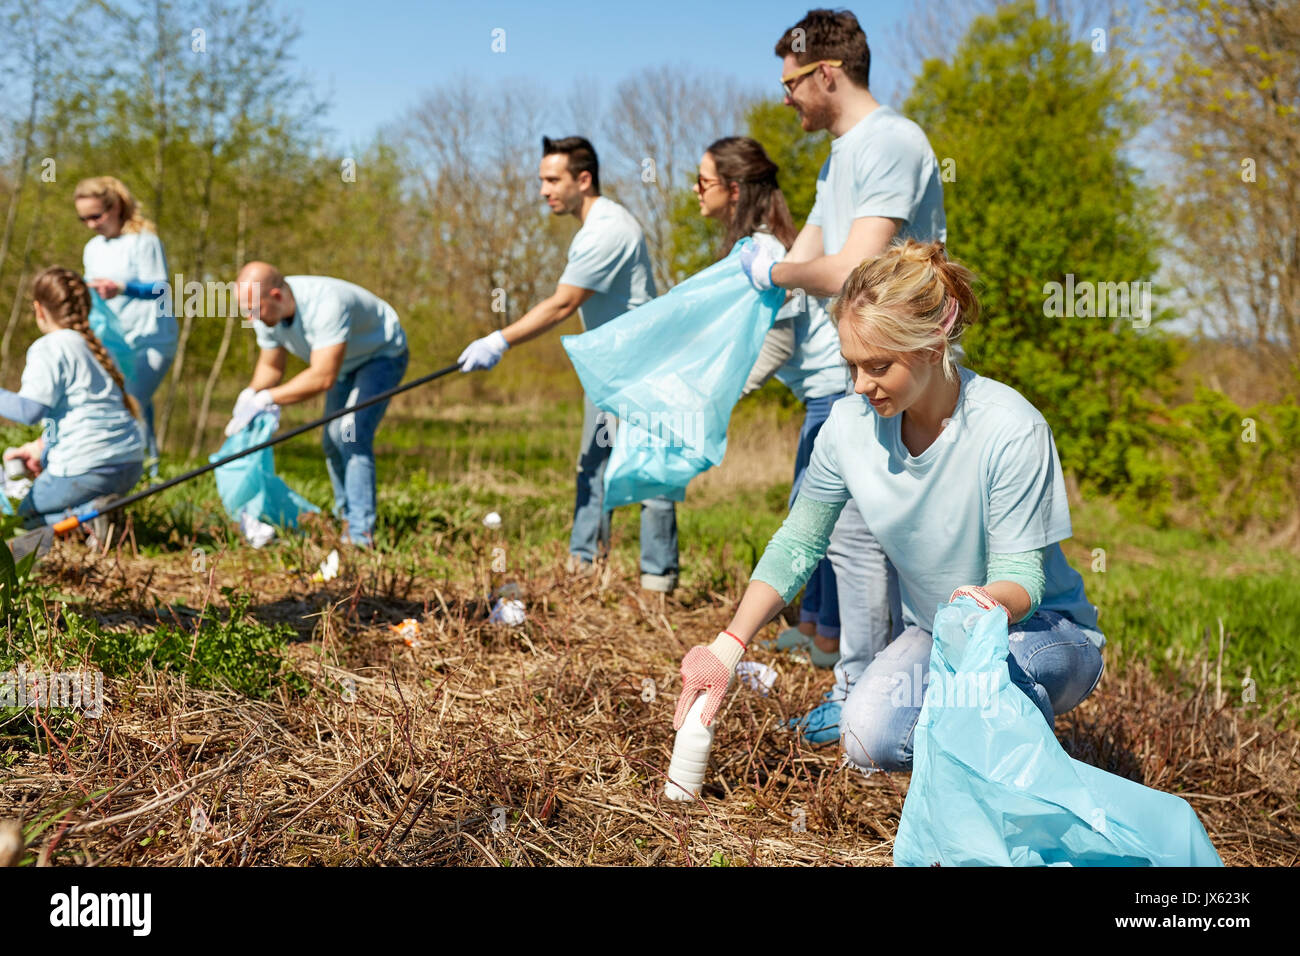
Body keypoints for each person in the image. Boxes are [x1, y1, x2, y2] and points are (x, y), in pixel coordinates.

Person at [674, 240, 1106, 774]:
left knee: (985, 698)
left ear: (932, 343)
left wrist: (973, 607)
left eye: (879, 365)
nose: (860, 385)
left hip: (1042, 630)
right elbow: (798, 544)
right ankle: (968, 753)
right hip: (936, 631)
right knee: (865, 737)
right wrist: (728, 645)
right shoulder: (848, 427)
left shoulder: (1009, 428)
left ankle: (1020, 783)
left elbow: (1022, 580)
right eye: (851, 365)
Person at [737, 8, 948, 741]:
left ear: (826, 73)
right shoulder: (838, 157)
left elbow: (854, 268)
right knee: (840, 538)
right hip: (848, 375)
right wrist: (764, 272)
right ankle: (867, 688)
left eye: (791, 83)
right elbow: (814, 261)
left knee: (865, 541)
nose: (786, 97)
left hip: (897, 376)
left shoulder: (891, 141)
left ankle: (872, 697)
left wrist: (780, 267)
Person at [457, 136, 679, 594]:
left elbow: (563, 305)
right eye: (541, 180)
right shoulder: (591, 228)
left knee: (646, 472)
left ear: (584, 179)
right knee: (592, 465)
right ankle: (583, 570)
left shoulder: (608, 230)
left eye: (552, 179)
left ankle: (658, 580)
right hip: (607, 367)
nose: (543, 190)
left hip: (640, 368)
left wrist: (500, 339)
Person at [694, 135, 846, 667]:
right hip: (819, 392)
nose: (695, 192)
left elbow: (778, 341)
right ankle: (812, 625)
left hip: (836, 387)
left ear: (733, 190)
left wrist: (722, 393)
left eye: (703, 181)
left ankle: (829, 640)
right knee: (805, 509)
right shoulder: (760, 245)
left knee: (818, 516)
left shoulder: (767, 249)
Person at [230, 263, 409, 547]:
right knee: (330, 440)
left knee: (349, 434)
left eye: (254, 309)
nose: (251, 318)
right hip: (344, 363)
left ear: (276, 296)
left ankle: (360, 536)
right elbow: (271, 366)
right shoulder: (268, 316)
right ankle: (346, 520)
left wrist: (270, 397)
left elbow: (323, 376)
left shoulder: (325, 304)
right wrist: (251, 394)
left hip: (381, 355)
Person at [0, 267, 144, 540]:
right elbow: (82, 414)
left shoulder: (49, 347)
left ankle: (89, 515)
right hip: (130, 463)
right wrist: (40, 451)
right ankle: (98, 514)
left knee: (25, 518)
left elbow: (29, 411)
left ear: (39, 309)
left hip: (88, 467)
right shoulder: (99, 348)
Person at [75, 176, 177, 477]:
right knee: (138, 407)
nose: (91, 224)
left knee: (129, 404)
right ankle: (150, 473)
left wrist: (121, 288)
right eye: (84, 219)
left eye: (96, 216)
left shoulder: (145, 240)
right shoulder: (92, 247)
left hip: (152, 339)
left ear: (116, 207)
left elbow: (161, 288)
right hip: (115, 339)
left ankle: (132, 475)